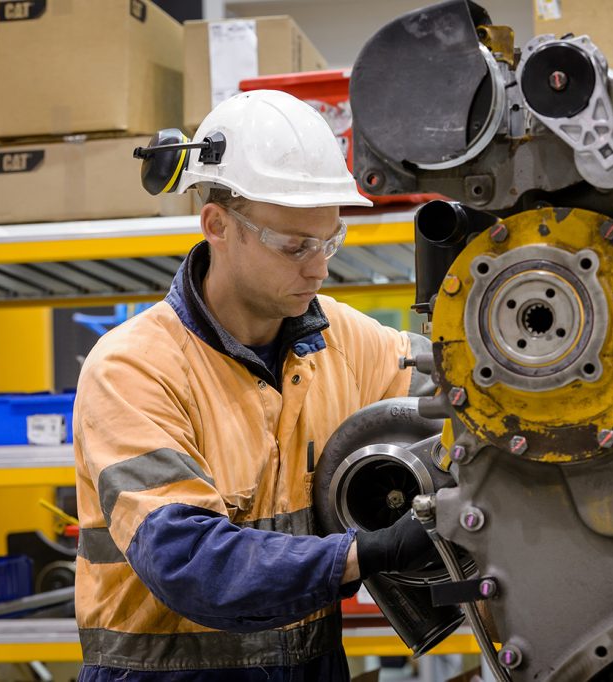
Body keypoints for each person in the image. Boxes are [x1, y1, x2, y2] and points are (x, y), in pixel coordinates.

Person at [73, 90, 438, 681]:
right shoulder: (132, 369)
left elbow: (458, 391)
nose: (319, 267)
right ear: (217, 225)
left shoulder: (344, 342)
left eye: (331, 241)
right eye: (294, 246)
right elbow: (189, 562)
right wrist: (366, 552)